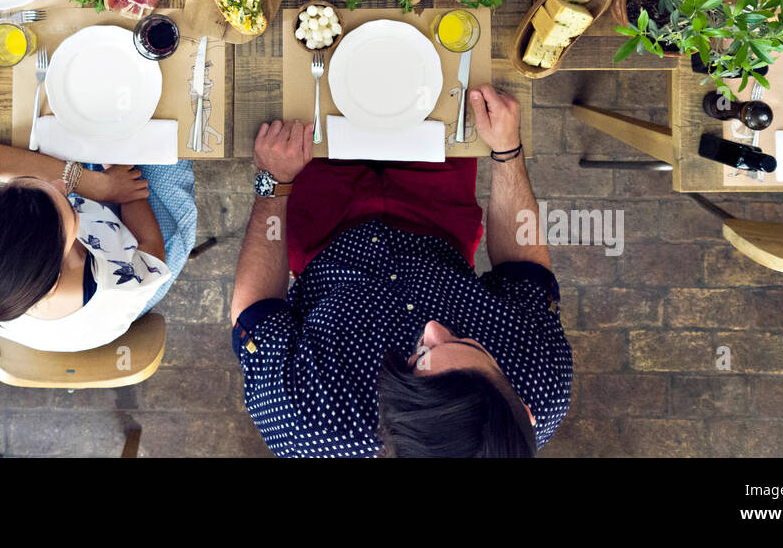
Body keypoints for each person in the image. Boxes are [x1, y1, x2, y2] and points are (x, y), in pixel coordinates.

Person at [231, 86, 572, 458]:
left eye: (418, 355)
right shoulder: (541, 381)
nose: (432, 327)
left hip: (322, 230)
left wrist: (273, 185)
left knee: (308, 81)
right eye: (465, 342)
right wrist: (507, 153)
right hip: (439, 217)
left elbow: (256, 308)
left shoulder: (303, 424)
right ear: (526, 410)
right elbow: (522, 270)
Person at [0, 142, 197, 371]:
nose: (61, 186)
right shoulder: (121, 286)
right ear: (67, 259)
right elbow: (152, 246)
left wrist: (95, 184)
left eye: (20, 187)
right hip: (129, 270)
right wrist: (123, 188)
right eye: (68, 207)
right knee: (167, 151)